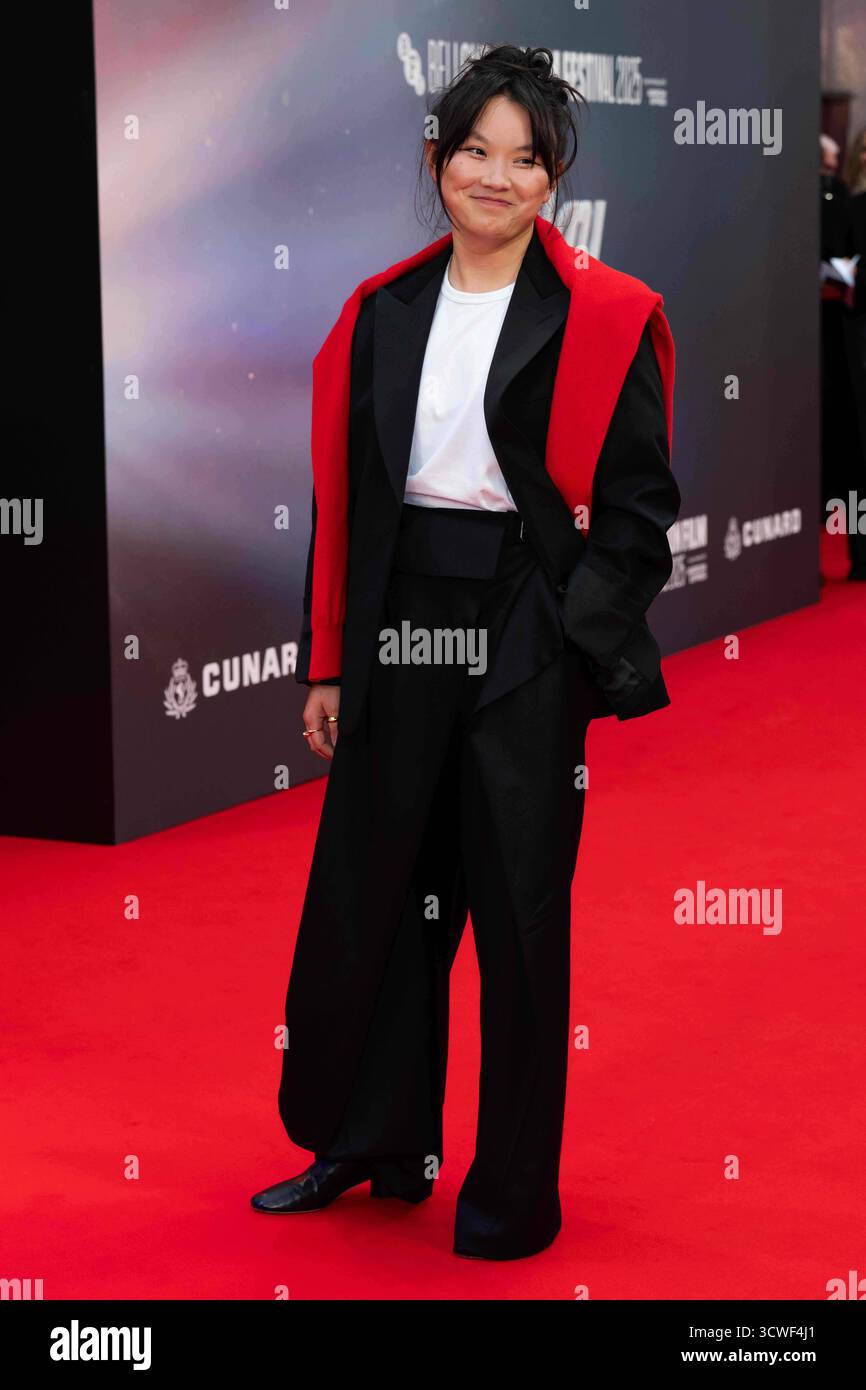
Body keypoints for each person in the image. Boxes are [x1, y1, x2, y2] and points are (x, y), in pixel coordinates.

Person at [251, 44, 681, 1261]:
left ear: (554, 180)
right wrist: (327, 664)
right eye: (475, 151)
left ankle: (509, 1194)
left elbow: (639, 515)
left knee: (516, 917)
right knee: (377, 896)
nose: (495, 177)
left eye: (525, 157)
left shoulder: (608, 312)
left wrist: (560, 641)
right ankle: (372, 1145)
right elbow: (347, 503)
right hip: (397, 623)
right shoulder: (380, 310)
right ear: (436, 160)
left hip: (520, 621)